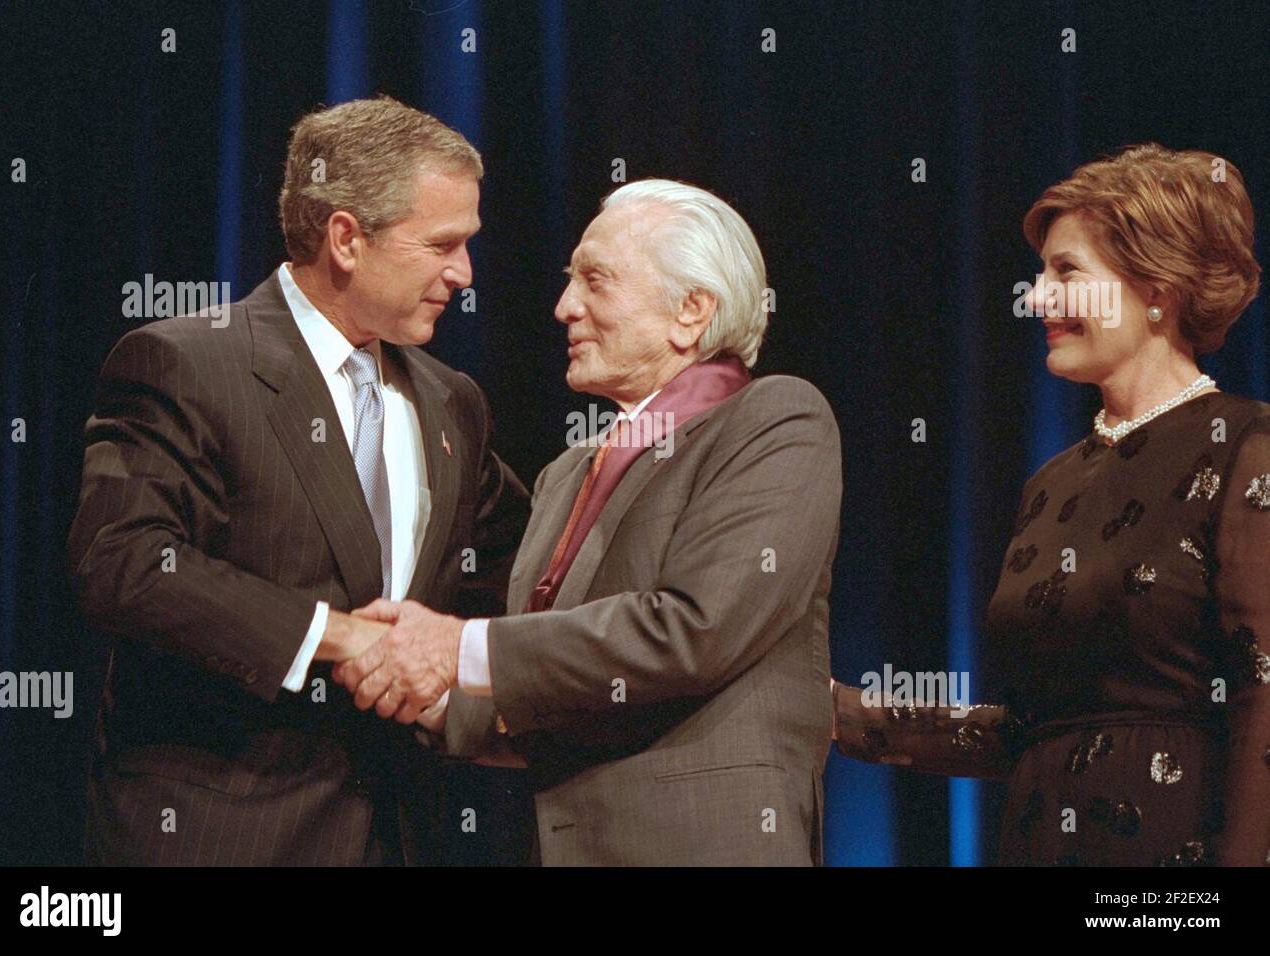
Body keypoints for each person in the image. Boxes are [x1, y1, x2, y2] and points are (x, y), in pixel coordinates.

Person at [66, 95, 528, 865]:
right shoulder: (188, 364)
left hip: (402, 833)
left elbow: (524, 564)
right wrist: (338, 637)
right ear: (347, 238)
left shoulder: (453, 402)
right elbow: (124, 563)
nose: (464, 274)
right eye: (442, 244)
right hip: (221, 834)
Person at [335, 179, 843, 865]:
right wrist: (429, 695)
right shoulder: (568, 475)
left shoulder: (776, 420)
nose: (564, 307)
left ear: (691, 311)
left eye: (595, 281)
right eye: (570, 281)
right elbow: (568, 685)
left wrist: (458, 649)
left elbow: (695, 629)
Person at [833, 143, 1268, 866]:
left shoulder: (1243, 448)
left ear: (1158, 289)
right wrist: (847, 716)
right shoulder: (1051, 484)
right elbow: (1032, 731)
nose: (1037, 298)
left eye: (1067, 272)